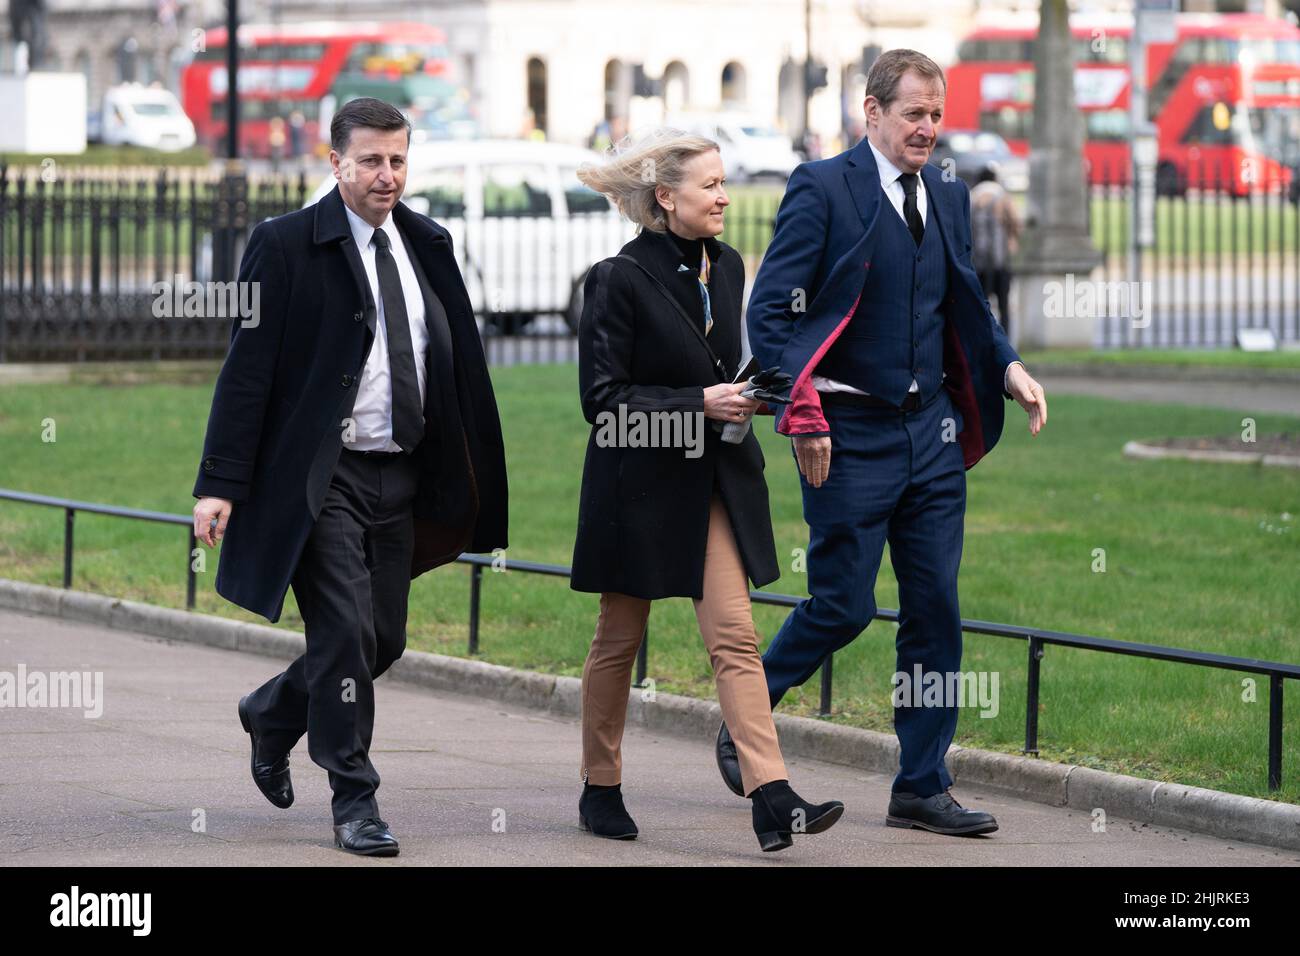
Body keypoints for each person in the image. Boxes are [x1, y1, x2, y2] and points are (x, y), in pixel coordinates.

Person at [718, 49, 1048, 836]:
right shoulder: (822, 188)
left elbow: (965, 299)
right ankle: (746, 716)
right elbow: (773, 316)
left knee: (936, 608)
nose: (928, 128)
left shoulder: (950, 194)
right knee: (844, 604)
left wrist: (1006, 366)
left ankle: (922, 785)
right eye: (914, 114)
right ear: (872, 113)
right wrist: (801, 411)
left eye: (937, 114)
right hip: (845, 433)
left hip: (930, 432)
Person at [191, 97, 508, 857]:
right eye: (370, 160)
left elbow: (452, 362)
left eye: (398, 159)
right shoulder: (285, 246)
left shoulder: (427, 243)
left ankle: (273, 712)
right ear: (333, 163)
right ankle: (355, 800)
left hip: (399, 476)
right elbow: (247, 373)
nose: (387, 175)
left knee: (383, 638)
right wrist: (220, 482)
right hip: (318, 478)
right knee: (342, 635)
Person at [570, 128, 844, 852]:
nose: (725, 195)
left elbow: (734, 364)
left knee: (735, 637)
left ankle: (770, 794)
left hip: (713, 480)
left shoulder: (727, 267)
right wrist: (701, 402)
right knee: (619, 640)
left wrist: (758, 395)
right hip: (636, 487)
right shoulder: (616, 279)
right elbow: (603, 405)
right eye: (710, 185)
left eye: (723, 183)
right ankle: (600, 784)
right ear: (666, 198)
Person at [970, 167, 1021, 338]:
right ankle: (1005, 342)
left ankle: (982, 340)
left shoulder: (971, 197)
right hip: (1001, 260)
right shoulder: (1003, 197)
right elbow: (1015, 222)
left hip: (977, 261)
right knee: (1004, 306)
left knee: (980, 306)